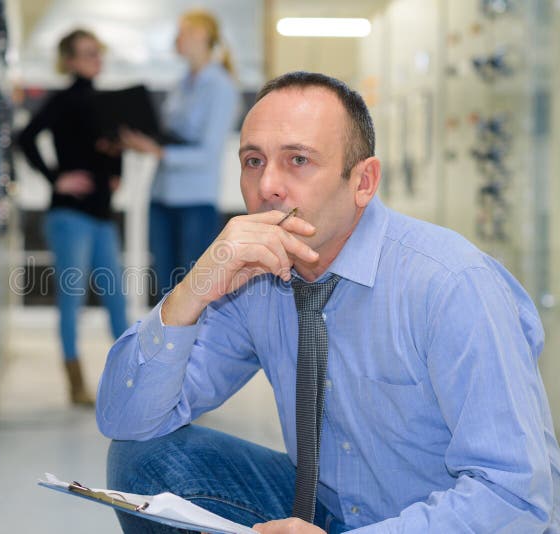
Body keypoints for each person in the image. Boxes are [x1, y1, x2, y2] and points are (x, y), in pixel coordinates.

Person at [97, 71, 560, 533]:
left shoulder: (450, 284)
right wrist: (193, 290)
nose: (268, 187)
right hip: (326, 509)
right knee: (144, 459)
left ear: (364, 181)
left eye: (298, 160)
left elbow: (515, 495)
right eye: (253, 161)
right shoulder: (254, 278)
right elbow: (128, 417)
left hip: (435, 521)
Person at [16, 28, 128, 406]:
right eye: (87, 53)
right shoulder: (64, 99)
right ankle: (75, 384)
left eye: (98, 52)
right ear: (69, 60)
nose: (95, 59)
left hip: (101, 216)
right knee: (72, 300)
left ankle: (131, 381)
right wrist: (55, 178)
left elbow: (113, 148)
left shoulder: (106, 101)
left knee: (117, 300)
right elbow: (26, 137)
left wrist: (116, 174)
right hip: (70, 217)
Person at [120, 9, 239, 300]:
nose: (176, 39)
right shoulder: (181, 83)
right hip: (162, 196)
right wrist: (146, 142)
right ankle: (166, 346)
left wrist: (160, 152)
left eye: (181, 32)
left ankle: (194, 348)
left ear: (200, 36)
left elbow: (208, 154)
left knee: (194, 289)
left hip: (195, 202)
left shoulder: (221, 86)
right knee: (165, 288)